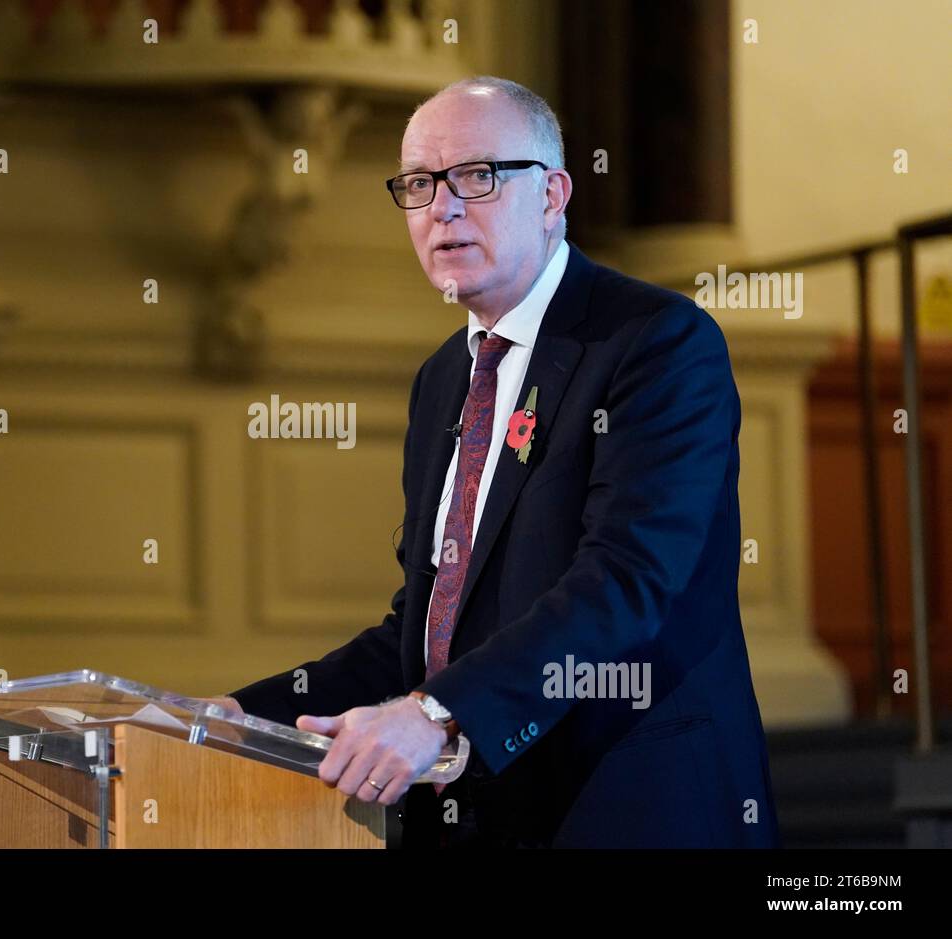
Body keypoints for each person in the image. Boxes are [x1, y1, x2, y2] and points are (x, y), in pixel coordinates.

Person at [211, 76, 779, 848]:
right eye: (419, 184)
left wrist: (437, 713)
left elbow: (626, 581)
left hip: (631, 809)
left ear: (552, 194)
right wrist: (240, 718)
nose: (442, 207)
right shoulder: (444, 377)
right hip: (481, 818)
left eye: (476, 176)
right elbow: (425, 629)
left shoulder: (655, 342)